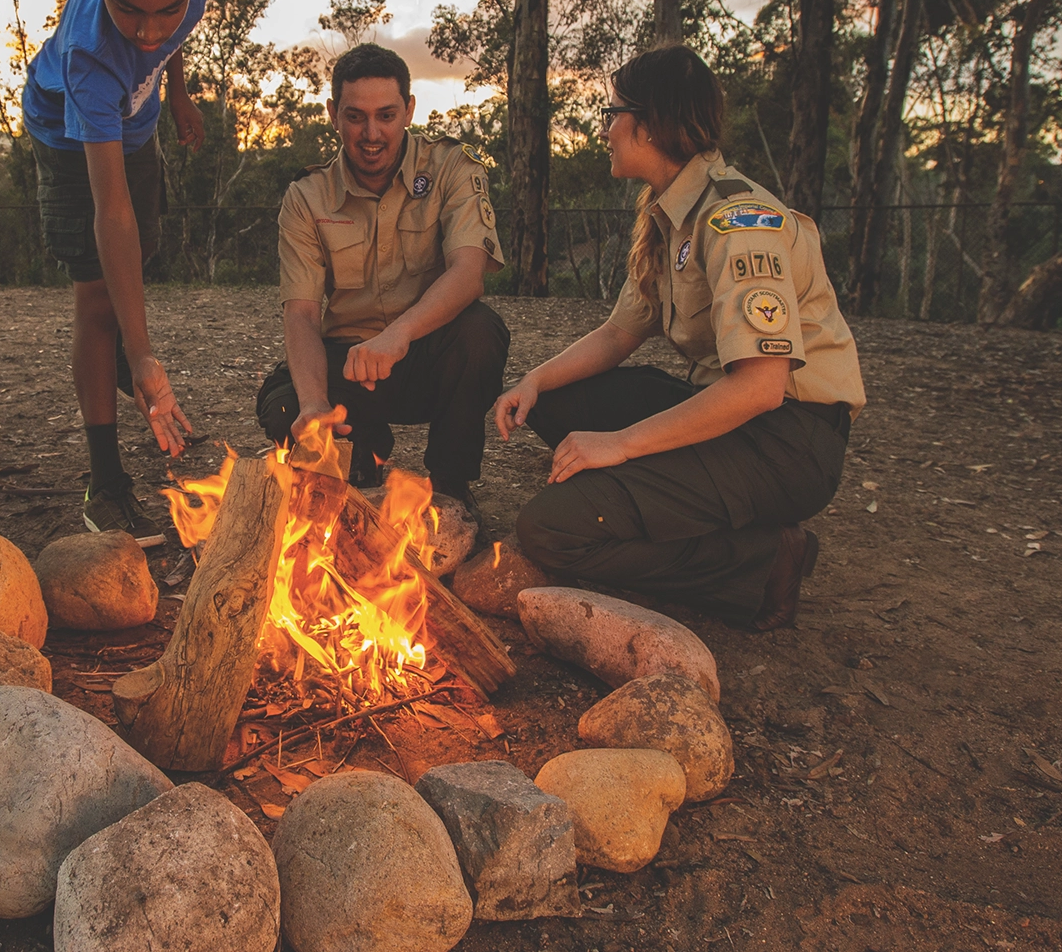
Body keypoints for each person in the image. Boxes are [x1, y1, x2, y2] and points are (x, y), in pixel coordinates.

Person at [496, 45, 864, 630]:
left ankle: (762, 561)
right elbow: (619, 332)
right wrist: (533, 381)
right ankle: (667, 498)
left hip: (787, 441)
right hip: (730, 413)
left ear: (650, 124)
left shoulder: (738, 221)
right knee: (557, 401)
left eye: (613, 114)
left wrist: (621, 445)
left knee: (550, 531)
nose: (607, 129)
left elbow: (761, 388)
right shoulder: (671, 216)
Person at [22, 0, 219, 546]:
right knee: (99, 297)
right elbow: (112, 214)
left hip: (138, 124)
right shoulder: (90, 58)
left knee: (138, 260)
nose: (148, 30)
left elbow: (171, 36)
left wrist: (179, 93)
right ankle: (104, 483)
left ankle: (117, 353)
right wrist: (144, 357)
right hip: (67, 134)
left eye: (168, 9)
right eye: (127, 9)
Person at [256, 44, 509, 514]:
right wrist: (313, 405)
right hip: (350, 364)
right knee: (284, 407)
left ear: (409, 110)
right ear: (333, 114)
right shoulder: (307, 196)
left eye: (387, 116)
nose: (371, 134)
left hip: (427, 355)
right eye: (355, 117)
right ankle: (361, 457)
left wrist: (399, 335)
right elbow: (302, 313)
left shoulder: (451, 167)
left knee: (481, 332)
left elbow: (469, 273)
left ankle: (451, 485)